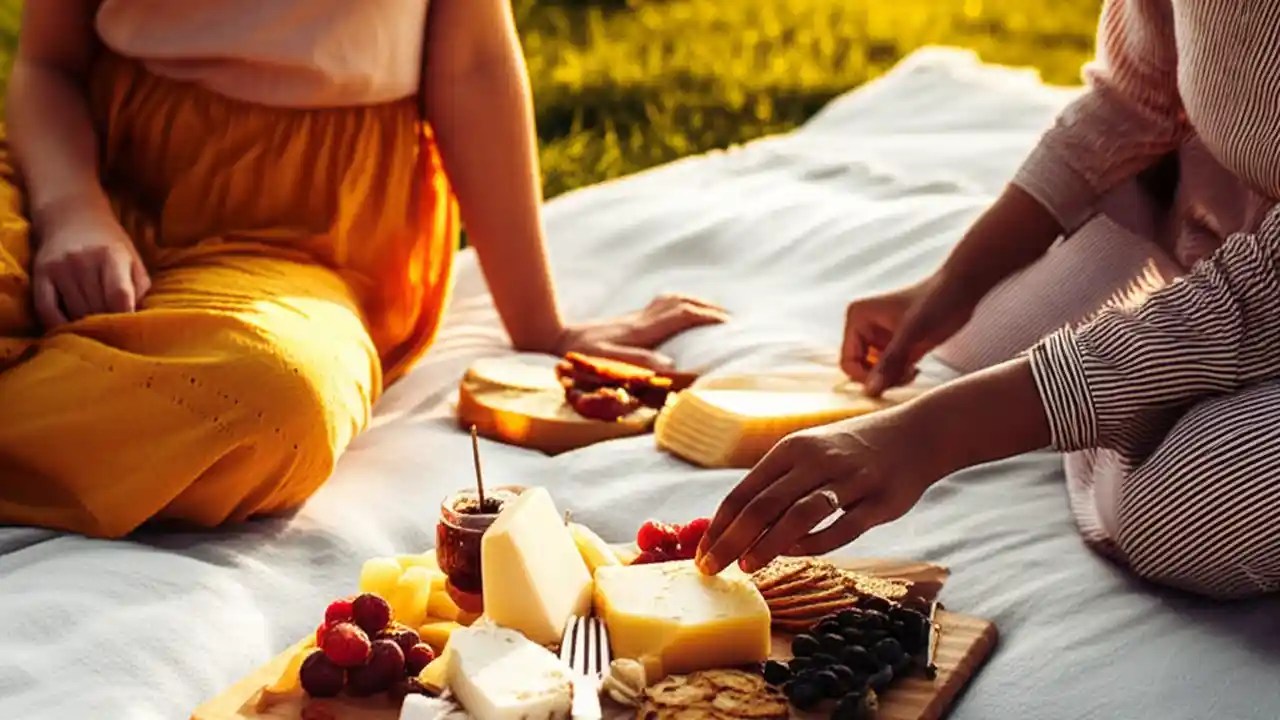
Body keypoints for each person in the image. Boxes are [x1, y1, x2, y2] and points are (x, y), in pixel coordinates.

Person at [0, 1, 727, 539]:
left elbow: (474, 72)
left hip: (299, 239)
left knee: (269, 404)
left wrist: (542, 324)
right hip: (81, 166)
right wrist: (72, 212)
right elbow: (47, 63)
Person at [698, 0, 1280, 600]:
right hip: (1226, 242)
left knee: (1178, 508)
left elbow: (1256, 300)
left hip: (1258, 288)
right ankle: (1131, 373)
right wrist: (952, 284)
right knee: (970, 348)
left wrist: (931, 435)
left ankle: (1134, 394)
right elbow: (1134, 101)